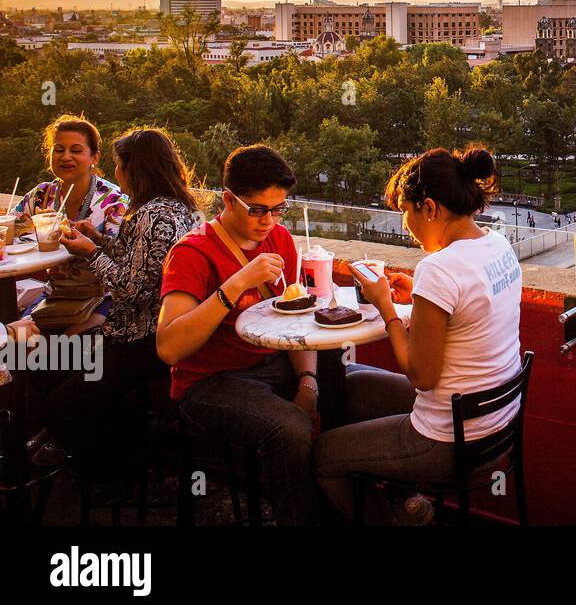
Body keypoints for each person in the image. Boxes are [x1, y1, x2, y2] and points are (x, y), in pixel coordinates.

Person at [314, 147, 523, 523]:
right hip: (496, 429)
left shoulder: (439, 269)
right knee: (349, 382)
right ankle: (402, 498)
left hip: (448, 443)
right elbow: (471, 311)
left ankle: (393, 516)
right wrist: (421, 297)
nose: (405, 225)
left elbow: (422, 376)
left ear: (429, 208)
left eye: (405, 212)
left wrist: (386, 308)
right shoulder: (497, 245)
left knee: (325, 455)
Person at [156, 144, 316, 526]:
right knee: (290, 429)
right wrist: (236, 283)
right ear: (228, 199)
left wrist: (308, 383)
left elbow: (299, 320)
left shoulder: (280, 240)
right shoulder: (192, 253)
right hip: (210, 382)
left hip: (271, 362)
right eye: (258, 210)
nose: (269, 221)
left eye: (278, 209)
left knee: (342, 388)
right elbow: (169, 348)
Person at [32, 128, 200, 482]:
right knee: (46, 362)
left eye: (120, 165)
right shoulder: (174, 207)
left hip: (141, 339)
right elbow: (137, 263)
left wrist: (91, 253)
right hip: (146, 332)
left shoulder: (151, 215)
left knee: (57, 401)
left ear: (136, 169)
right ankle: (116, 447)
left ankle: (116, 471)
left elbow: (133, 289)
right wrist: (97, 238)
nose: (117, 172)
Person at [13, 115, 127, 336]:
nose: (66, 157)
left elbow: (122, 260)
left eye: (76, 150)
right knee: (21, 340)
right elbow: (9, 230)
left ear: (94, 157)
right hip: (55, 295)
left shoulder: (113, 202)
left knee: (67, 345)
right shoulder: (42, 195)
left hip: (102, 296)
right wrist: (32, 227)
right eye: (58, 149)